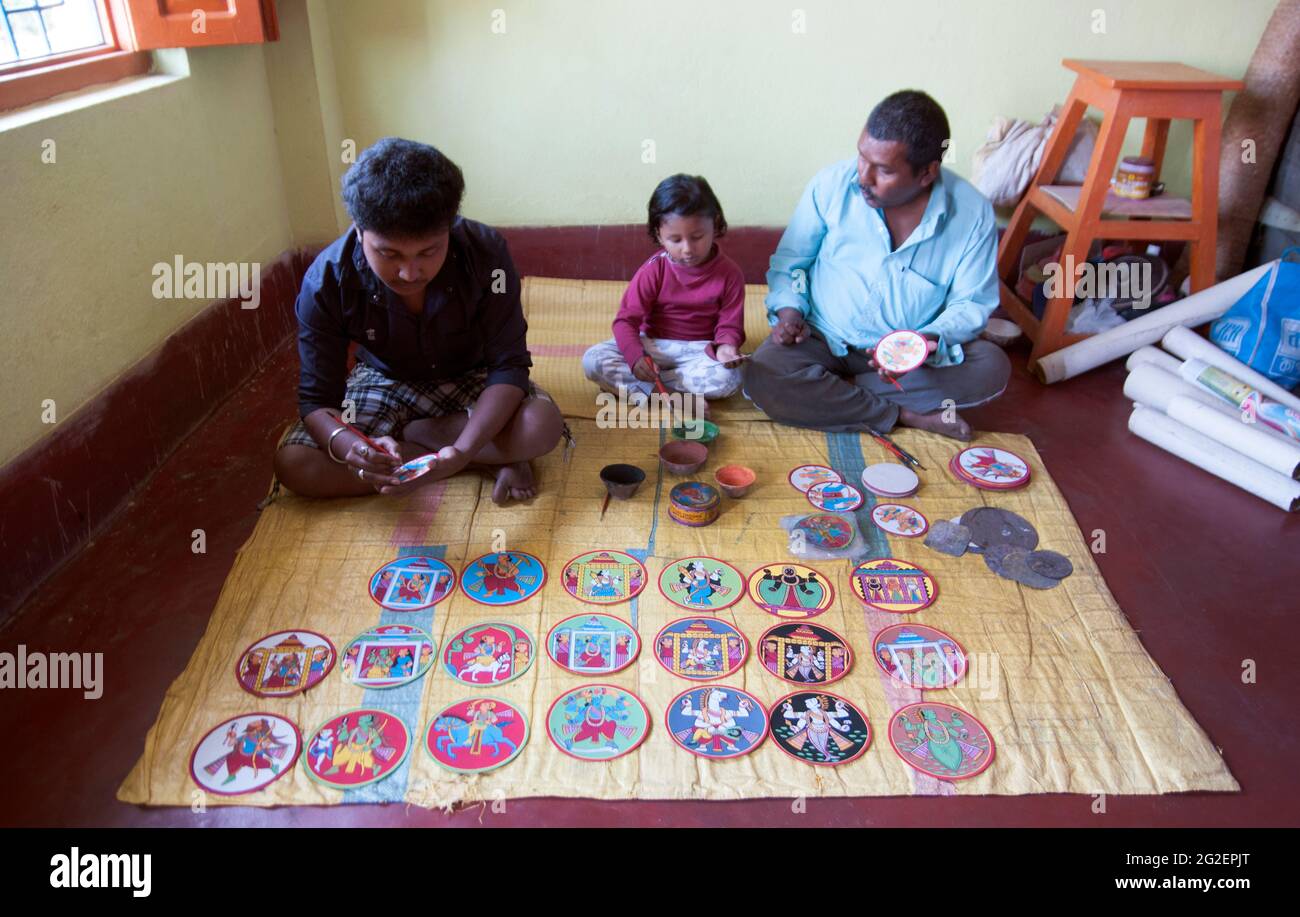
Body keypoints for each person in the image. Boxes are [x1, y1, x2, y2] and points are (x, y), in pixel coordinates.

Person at [272, 137, 567, 504]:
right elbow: (317, 402)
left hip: (470, 376)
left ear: (450, 226)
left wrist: (461, 449)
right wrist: (354, 450)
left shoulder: (485, 252)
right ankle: (480, 459)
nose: (410, 273)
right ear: (359, 230)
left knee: (541, 425)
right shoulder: (327, 280)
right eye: (389, 254)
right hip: (383, 380)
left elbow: (508, 366)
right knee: (295, 463)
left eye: (429, 251)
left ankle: (442, 450)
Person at [744, 91, 1010, 441]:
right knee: (762, 374)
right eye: (861, 157)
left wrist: (924, 341)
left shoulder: (972, 213)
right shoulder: (831, 186)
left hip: (905, 358)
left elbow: (970, 303)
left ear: (928, 172)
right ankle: (904, 413)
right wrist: (791, 311)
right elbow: (793, 263)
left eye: (883, 170)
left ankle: (830, 393)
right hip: (821, 336)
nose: (863, 177)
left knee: (990, 367)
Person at [582, 174, 747, 410]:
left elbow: (730, 326)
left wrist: (726, 348)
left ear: (715, 223)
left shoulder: (730, 273)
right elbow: (625, 321)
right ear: (659, 235)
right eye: (675, 239)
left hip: (698, 351)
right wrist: (636, 357)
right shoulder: (655, 269)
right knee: (592, 360)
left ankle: (648, 390)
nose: (688, 249)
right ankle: (674, 397)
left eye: (697, 237)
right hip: (653, 346)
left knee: (730, 379)